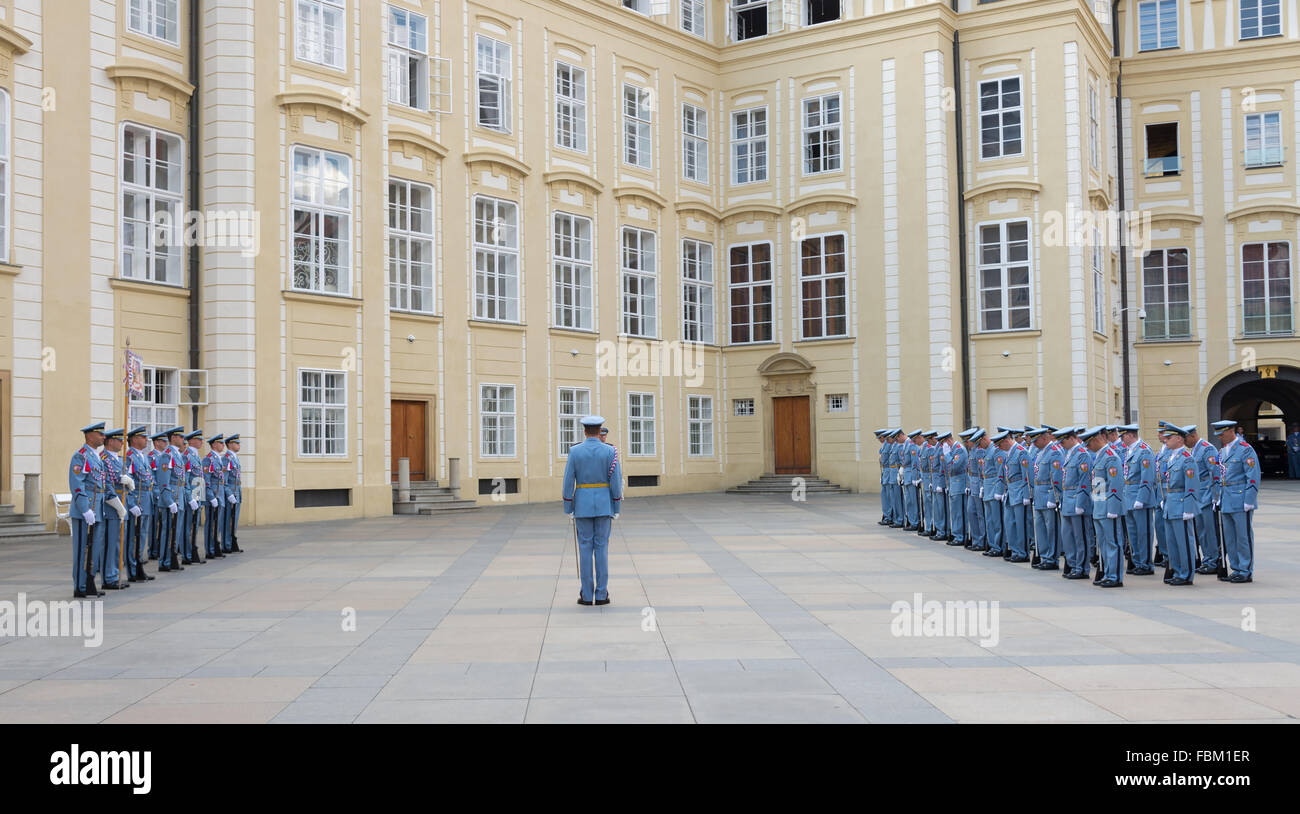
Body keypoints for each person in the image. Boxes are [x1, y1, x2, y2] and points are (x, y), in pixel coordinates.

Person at [562, 415, 624, 606]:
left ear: (584, 431)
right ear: (599, 430)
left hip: (582, 504)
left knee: (585, 548)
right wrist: (616, 506)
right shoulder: (610, 452)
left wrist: (568, 506)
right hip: (604, 504)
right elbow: (615, 481)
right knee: (602, 548)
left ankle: (587, 595)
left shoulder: (575, 451)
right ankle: (602, 593)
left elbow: (568, 481)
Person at [1211, 419, 1258, 583]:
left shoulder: (1245, 450)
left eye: (1222, 434)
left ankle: (1245, 570)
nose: (1220, 437)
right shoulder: (1222, 451)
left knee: (1243, 536)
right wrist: (1216, 497)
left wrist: (1249, 499)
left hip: (1240, 498)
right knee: (1229, 537)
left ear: (1231, 431)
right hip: (1226, 498)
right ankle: (1236, 568)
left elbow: (1252, 475)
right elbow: (1218, 476)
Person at [1081, 426, 1123, 587]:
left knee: (1112, 542)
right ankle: (1107, 572)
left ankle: (1114, 576)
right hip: (1099, 506)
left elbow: (1115, 485)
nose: (1087, 447)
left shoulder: (1111, 457)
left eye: (1089, 443)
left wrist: (1113, 508)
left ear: (1098, 440)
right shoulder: (1099, 456)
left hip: (1108, 507)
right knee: (1103, 543)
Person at [69, 422, 107, 598]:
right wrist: (85, 509)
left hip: (97, 508)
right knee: (82, 549)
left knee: (94, 547)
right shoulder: (81, 456)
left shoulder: (96, 457)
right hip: (85, 510)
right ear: (89, 436)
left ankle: (89, 581)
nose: (103, 437)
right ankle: (80, 586)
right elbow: (77, 484)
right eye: (100, 434)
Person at [1159, 424, 1199, 586]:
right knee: (1172, 542)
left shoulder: (1187, 459)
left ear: (1179, 439)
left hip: (1182, 504)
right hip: (1171, 505)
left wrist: (1189, 508)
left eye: (1169, 438)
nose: (1165, 440)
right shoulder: (1172, 457)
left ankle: (1186, 573)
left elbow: (1192, 485)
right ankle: (1177, 571)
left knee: (1184, 542)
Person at [1119, 424, 1155, 576]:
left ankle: (1146, 563)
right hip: (1129, 497)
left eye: (1123, 436)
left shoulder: (1144, 450)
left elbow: (1147, 477)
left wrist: (1142, 498)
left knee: (1144, 533)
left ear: (1130, 435)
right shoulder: (1129, 451)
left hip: (1140, 498)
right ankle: (1137, 561)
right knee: (1133, 534)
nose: (1121, 439)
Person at [1186, 426, 1222, 575]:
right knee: (1201, 531)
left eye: (1186, 438)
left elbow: (1215, 473)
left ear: (1193, 435)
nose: (1184, 442)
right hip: (1198, 496)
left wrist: (1216, 497)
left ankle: (1213, 560)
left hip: (1207, 494)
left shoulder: (1207, 449)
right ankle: (1207, 559)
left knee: (1209, 531)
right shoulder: (1194, 449)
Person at [98, 428, 130, 590]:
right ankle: (108, 576)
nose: (122, 443)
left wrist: (129, 484)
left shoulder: (118, 460)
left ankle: (115, 574)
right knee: (110, 543)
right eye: (119, 440)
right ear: (110, 442)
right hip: (111, 506)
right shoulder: (104, 459)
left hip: (122, 502)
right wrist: (118, 505)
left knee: (118, 542)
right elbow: (107, 485)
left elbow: (123, 483)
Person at [124, 426, 156, 582]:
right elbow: (127, 484)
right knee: (133, 538)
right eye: (143, 437)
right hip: (136, 502)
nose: (146, 440)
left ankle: (139, 566)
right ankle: (133, 569)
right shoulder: (129, 457)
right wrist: (131, 503)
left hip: (146, 502)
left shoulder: (143, 457)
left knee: (142, 537)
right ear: (134, 439)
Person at [1057, 426, 1090, 579]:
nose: (1061, 444)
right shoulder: (1069, 454)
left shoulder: (1082, 454)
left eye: (1063, 441)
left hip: (1077, 499)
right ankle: (1072, 564)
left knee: (1080, 537)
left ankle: (1081, 567)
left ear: (1072, 438)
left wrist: (1081, 503)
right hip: (1067, 499)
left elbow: (1084, 482)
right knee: (1068, 536)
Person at [203, 434, 227, 559]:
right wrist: (210, 496)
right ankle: (209, 549)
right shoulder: (209, 459)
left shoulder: (218, 459)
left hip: (220, 495)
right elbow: (206, 480)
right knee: (211, 523)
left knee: (217, 524)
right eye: (220, 443)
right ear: (214, 444)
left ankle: (215, 546)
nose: (223, 445)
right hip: (214, 495)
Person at [224, 434, 243, 553]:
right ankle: (227, 544)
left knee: (234, 520)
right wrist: (229, 494)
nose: (238, 445)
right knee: (228, 520)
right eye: (236, 443)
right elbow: (224, 480)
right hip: (231, 493)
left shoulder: (235, 458)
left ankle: (232, 541)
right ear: (230, 444)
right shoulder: (227, 459)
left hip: (237, 492)